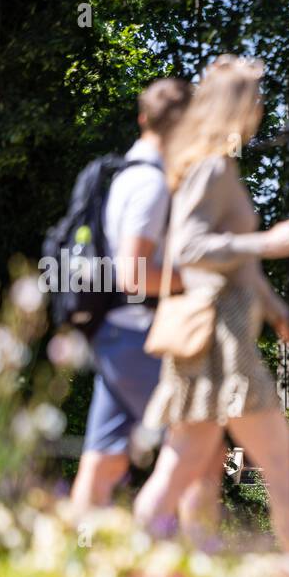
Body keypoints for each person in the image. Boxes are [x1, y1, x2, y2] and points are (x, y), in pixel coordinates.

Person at [133, 55, 289, 577]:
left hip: (221, 334)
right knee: (281, 466)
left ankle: (121, 573)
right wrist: (269, 240)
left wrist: (285, 320)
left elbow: (241, 268)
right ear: (235, 106)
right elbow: (189, 246)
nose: (261, 109)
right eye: (256, 99)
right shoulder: (212, 168)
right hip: (222, 341)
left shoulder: (219, 167)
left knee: (179, 472)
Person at [69, 78, 220, 536]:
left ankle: (70, 559)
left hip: (114, 333)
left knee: (104, 458)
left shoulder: (121, 175)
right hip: (141, 337)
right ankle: (199, 561)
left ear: (142, 119)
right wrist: (199, 278)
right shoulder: (151, 184)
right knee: (202, 448)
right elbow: (135, 275)